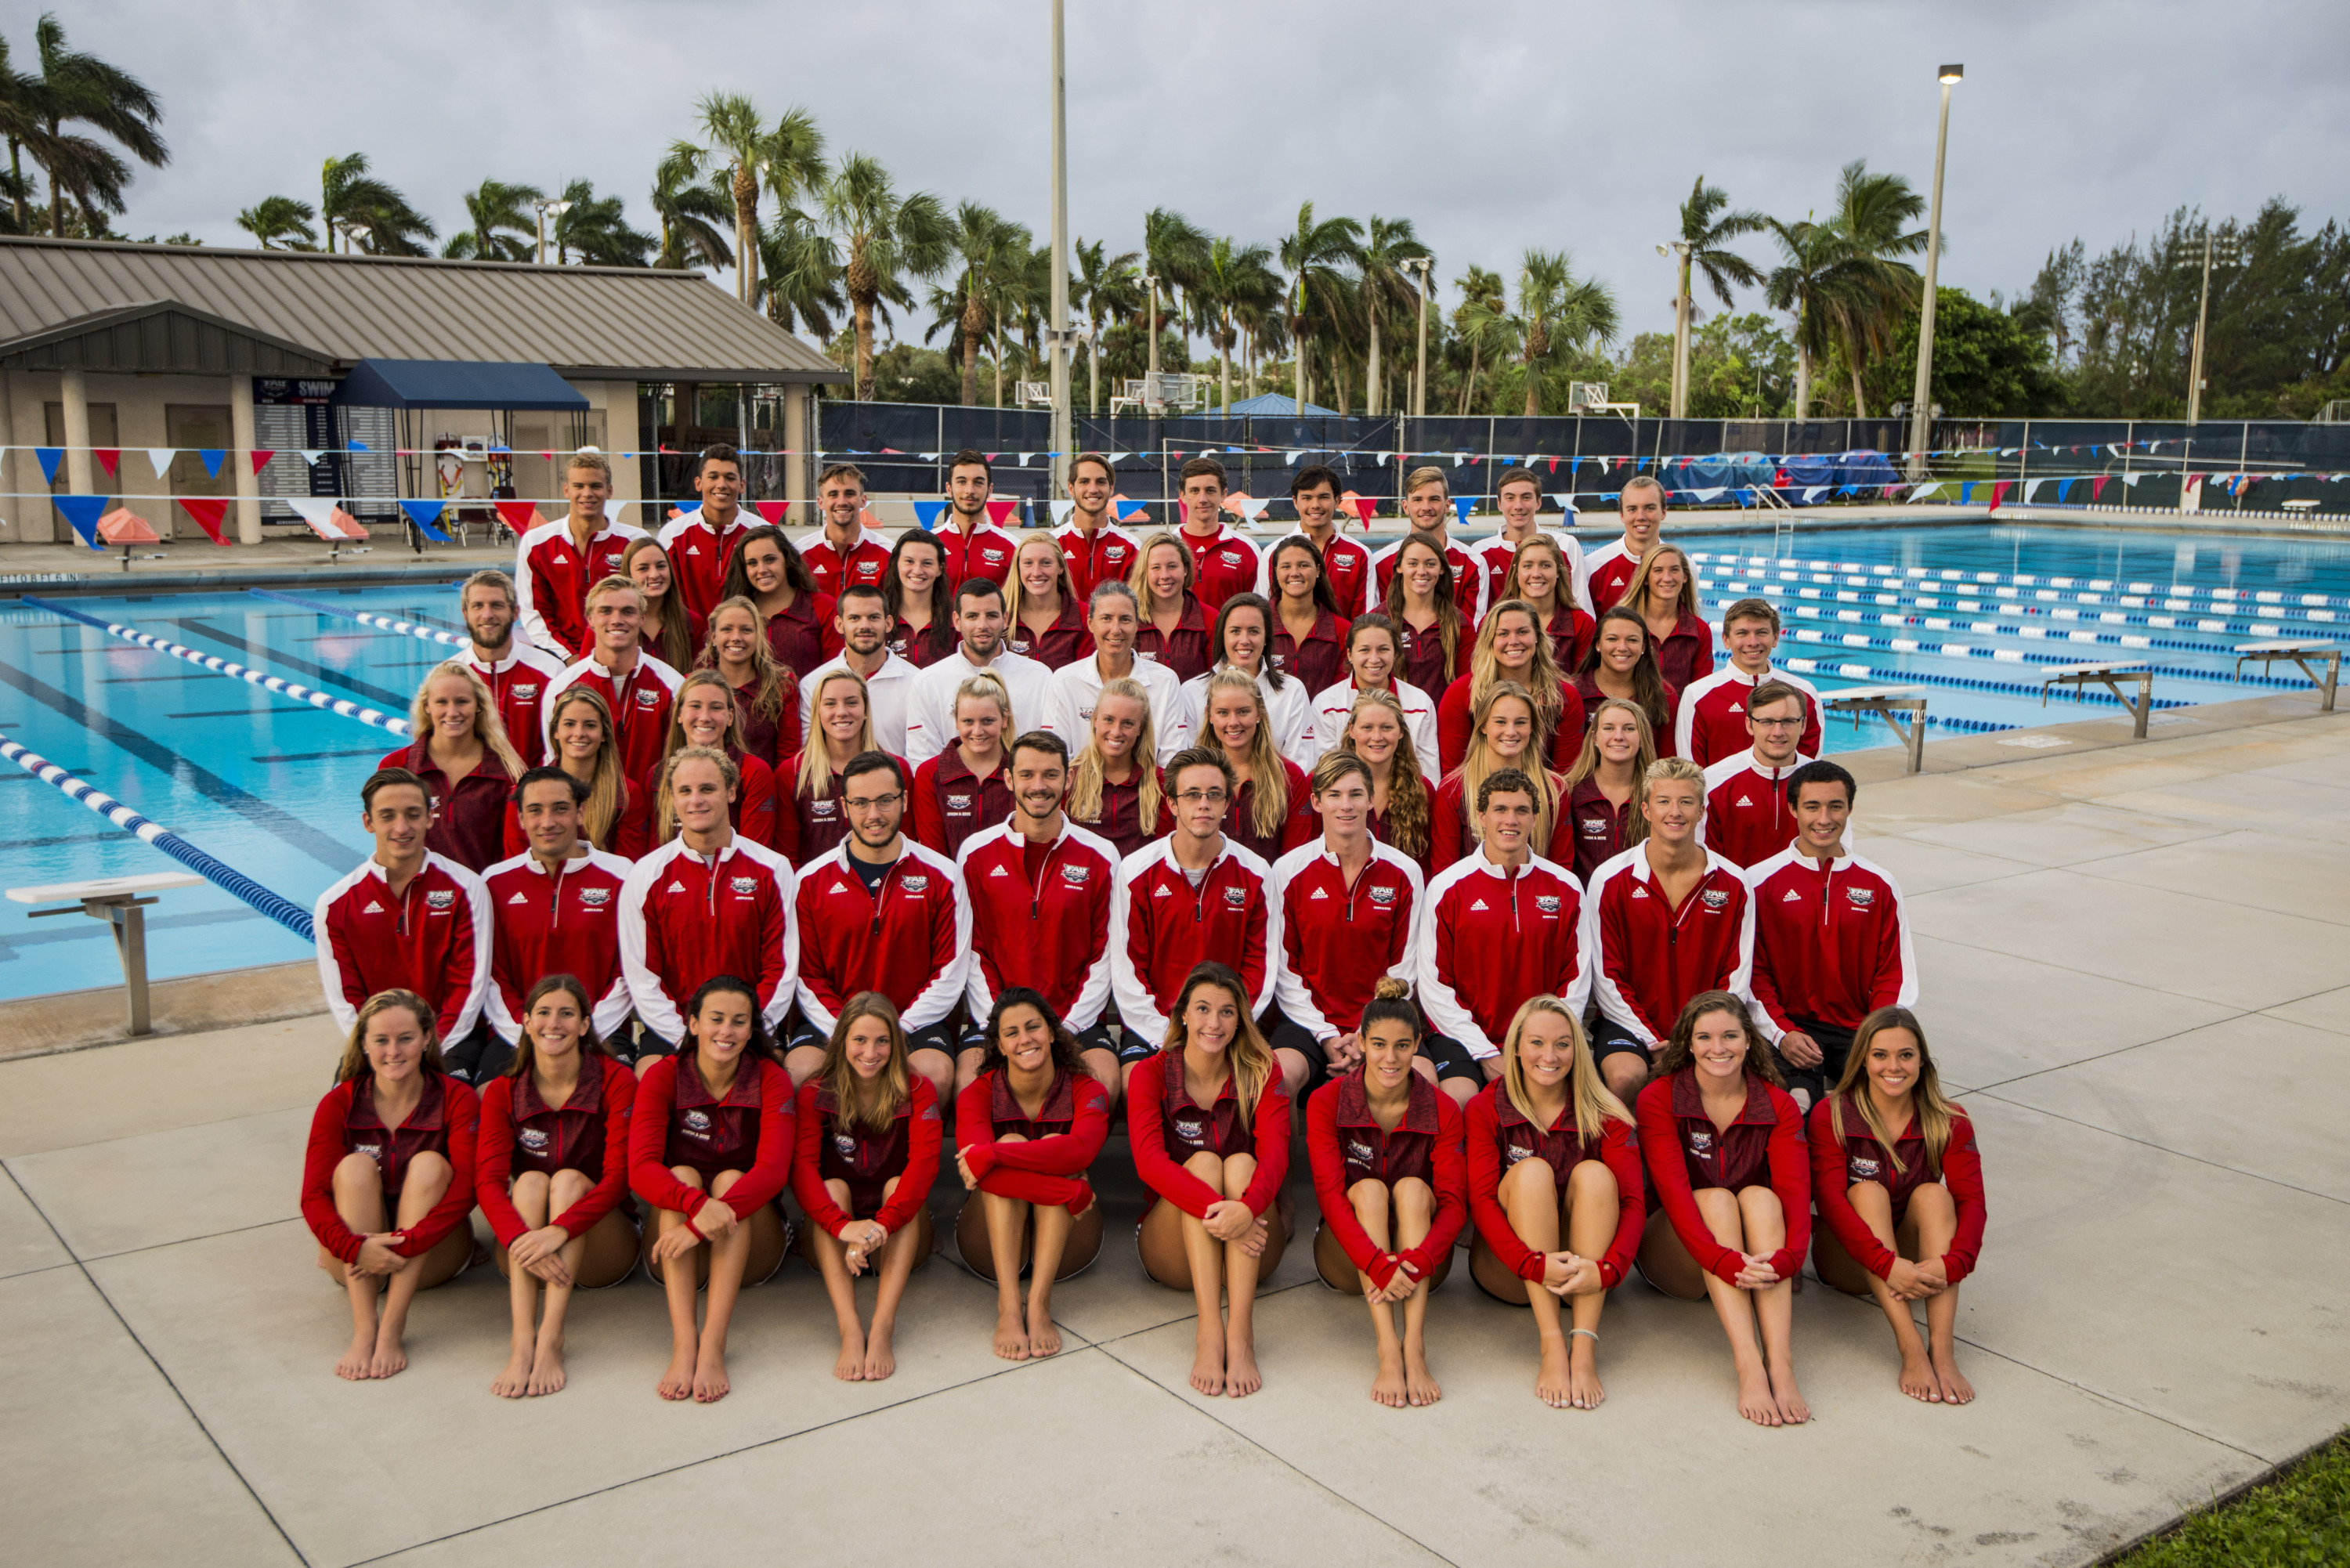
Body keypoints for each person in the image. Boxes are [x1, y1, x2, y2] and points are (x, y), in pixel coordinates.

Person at [1636, 991, 1810, 1427]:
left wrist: (1791, 1260)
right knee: (1713, 1197)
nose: (1719, 1048)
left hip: (1751, 1261)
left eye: (1730, 1036)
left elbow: (1795, 1196)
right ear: (1688, 1045)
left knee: (1762, 1197)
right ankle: (1748, 1363)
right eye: (1706, 1037)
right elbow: (1675, 1196)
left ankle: (1781, 1363)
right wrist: (1722, 1259)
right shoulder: (1659, 1098)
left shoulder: (1779, 1105)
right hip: (1677, 1252)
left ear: (1749, 1041)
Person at [1462, 995, 1642, 1411]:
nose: (1550, 1055)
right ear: (1517, 1048)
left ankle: (1583, 1347)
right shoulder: (1486, 1106)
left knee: (1596, 1175)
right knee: (1532, 1172)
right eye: (1537, 1043)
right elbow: (1483, 1202)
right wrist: (1532, 1264)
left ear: (1578, 1050)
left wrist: (1609, 1270)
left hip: (1585, 1275)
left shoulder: (1606, 1111)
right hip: (1513, 1270)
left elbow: (1633, 1202)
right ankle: (1551, 1344)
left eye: (1563, 1044)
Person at [1130, 962, 1291, 1398]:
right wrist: (1224, 1213)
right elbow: (1148, 1164)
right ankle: (1209, 1329)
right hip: (1175, 1250)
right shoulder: (1149, 1073)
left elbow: (1276, 1157)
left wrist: (1246, 1209)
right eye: (1202, 1009)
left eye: (1226, 1012)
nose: (1213, 1023)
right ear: (1183, 1014)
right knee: (1202, 1164)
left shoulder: (1263, 1070)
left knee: (1241, 1164)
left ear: (1240, 1020)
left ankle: (1240, 1333)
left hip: (1252, 1242)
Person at [301, 989, 479, 1381]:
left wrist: (404, 1243)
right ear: (363, 1043)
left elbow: (468, 1187)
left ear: (427, 1038)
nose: (393, 1051)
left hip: (429, 1256)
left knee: (431, 1165)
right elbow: (312, 1196)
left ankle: (393, 1326)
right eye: (381, 1040)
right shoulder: (339, 1103)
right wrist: (356, 1247)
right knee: (353, 1168)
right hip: (356, 1259)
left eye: (406, 1038)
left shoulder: (457, 1098)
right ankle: (365, 1328)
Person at [631, 974, 794, 1403]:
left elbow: (774, 1172)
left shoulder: (771, 1078)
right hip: (674, 1242)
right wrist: (695, 1207)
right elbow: (641, 1168)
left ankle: (714, 1343)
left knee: (732, 1181)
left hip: (749, 1242)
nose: (727, 1031)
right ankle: (685, 1343)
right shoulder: (664, 1076)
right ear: (693, 1023)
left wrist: (701, 1223)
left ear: (752, 1028)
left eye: (739, 1022)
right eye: (717, 1019)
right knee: (679, 1176)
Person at [1810, 1007, 1984, 1405]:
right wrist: (1886, 1264)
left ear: (1922, 1061)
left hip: (1910, 1258)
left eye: (1906, 1055)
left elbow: (1972, 1201)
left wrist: (1956, 1262)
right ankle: (1910, 1347)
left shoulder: (1950, 1119)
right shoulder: (1833, 1113)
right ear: (1863, 1061)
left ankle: (1942, 1351)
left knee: (1934, 1194)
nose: (1894, 1066)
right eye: (1880, 1055)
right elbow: (1830, 1201)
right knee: (1866, 1191)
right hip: (1847, 1259)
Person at [1306, 977, 1466, 1408]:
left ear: (1418, 1045)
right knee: (1370, 1190)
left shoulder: (1443, 1108)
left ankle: (1414, 1345)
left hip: (1423, 1263)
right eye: (1378, 1044)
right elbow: (1331, 1197)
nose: (1390, 1058)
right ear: (1360, 1042)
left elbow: (1453, 1204)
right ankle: (1387, 1348)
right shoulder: (1327, 1101)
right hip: (1349, 1257)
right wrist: (1376, 1262)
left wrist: (1417, 1260)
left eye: (1402, 1046)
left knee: (1415, 1189)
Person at [475, 974, 638, 1398]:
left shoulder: (616, 1081)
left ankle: (551, 1338)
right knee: (528, 1182)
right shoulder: (503, 1091)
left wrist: (559, 1230)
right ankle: (522, 1339)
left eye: (567, 1014)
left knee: (566, 1181)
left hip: (603, 1245)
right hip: (526, 1250)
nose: (555, 1023)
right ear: (526, 1023)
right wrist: (519, 1237)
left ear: (585, 1024)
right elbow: (488, 1184)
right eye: (544, 1013)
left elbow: (621, 1178)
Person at [789, 752, 971, 1106]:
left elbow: (949, 971)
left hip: (916, 1022)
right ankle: (826, 1161)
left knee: (934, 1074)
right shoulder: (810, 880)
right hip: (834, 1020)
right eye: (861, 803)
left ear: (903, 800)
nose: (874, 815)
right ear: (844, 806)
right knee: (799, 1072)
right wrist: (853, 1033)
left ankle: (913, 1162)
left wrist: (894, 1032)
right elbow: (807, 976)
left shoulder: (943, 875)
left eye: (885, 801)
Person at [956, 731, 1123, 1101]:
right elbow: (972, 950)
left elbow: (1105, 952)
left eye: (1050, 775)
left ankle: (1071, 1161)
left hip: (1076, 1021)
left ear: (1068, 779)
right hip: (994, 1021)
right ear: (1009, 779)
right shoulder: (975, 853)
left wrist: (1066, 1027)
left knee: (1105, 1085)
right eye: (1027, 775)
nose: (1039, 786)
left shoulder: (1102, 855)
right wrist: (1004, 1026)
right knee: (968, 1086)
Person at [1269, 751, 1441, 1107]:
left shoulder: (1404, 872)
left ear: (1370, 799)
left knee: (1424, 1079)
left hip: (1385, 1018)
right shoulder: (1287, 871)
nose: (1345, 806)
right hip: (1309, 1023)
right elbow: (1286, 969)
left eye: (1355, 794)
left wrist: (1368, 1034)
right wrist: (1327, 1035)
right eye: (1334, 795)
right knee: (1278, 1076)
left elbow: (1404, 968)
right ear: (1316, 802)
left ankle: (1402, 1164)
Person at [1585, 757, 1753, 1113]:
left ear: (1702, 810)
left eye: (1686, 801)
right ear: (1645, 809)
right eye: (1664, 801)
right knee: (1624, 1077)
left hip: (1707, 1029)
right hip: (1630, 1025)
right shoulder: (1610, 878)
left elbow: (1736, 976)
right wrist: (1651, 1039)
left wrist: (1697, 1037)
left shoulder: (1735, 882)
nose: (1674, 812)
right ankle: (1622, 1158)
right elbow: (1606, 977)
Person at [1747, 759, 1917, 1108]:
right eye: (1812, 807)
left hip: (1858, 1030)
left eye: (1835, 806)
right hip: (1790, 1026)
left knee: (1896, 1101)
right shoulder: (1758, 881)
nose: (1824, 819)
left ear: (1850, 808)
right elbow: (1752, 974)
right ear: (1793, 808)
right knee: (1799, 1105)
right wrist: (1781, 1032)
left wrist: (1877, 1037)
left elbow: (1895, 974)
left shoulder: (1879, 883)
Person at [954, 988, 1111, 1360]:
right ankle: (1008, 1306)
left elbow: (1081, 1149)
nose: (1025, 1039)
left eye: (1033, 1027)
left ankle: (1039, 1303)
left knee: (1052, 1147)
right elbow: (976, 1177)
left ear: (1052, 1033)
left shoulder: (1087, 1089)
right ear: (1000, 1045)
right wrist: (1065, 1192)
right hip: (988, 1246)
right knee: (1017, 1141)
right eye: (1012, 1033)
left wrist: (993, 1153)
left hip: (1070, 1244)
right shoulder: (977, 1093)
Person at [793, 992, 941, 1384]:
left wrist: (881, 1227)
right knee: (832, 1185)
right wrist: (842, 1226)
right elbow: (802, 1169)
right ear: (842, 1041)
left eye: (882, 1041)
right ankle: (850, 1328)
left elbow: (923, 1169)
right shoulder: (815, 1092)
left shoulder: (918, 1089)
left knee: (898, 1184)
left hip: (897, 1231)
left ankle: (882, 1326)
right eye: (859, 1040)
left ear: (895, 1043)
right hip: (835, 1237)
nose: (870, 1052)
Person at [1419, 768, 1590, 1105]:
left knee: (1558, 1100)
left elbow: (1576, 979)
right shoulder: (1446, 887)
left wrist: (1541, 1043)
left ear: (1535, 818)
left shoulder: (1566, 887)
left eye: (1521, 810)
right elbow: (1435, 985)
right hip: (1463, 1037)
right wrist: (1485, 1053)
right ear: (1480, 817)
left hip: (1543, 1038)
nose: (1510, 820)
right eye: (1500, 810)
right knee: (1460, 1097)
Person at [617, 747, 797, 1053]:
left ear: (730, 792)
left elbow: (781, 967)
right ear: (672, 798)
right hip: (674, 1031)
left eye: (707, 789)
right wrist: (687, 1038)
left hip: (752, 1030)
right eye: (685, 791)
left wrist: (747, 1030)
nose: (696, 800)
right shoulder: (646, 875)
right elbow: (643, 976)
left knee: (787, 1080)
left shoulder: (774, 868)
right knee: (648, 1083)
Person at [1109, 748, 1280, 1070]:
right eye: (1192, 795)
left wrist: (1222, 1026)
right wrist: (1171, 1034)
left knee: (1264, 1083)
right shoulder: (1136, 872)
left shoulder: (1257, 873)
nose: (1204, 804)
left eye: (1214, 795)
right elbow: (1129, 970)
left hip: (1229, 1030)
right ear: (1172, 803)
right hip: (1155, 1030)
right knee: (1134, 1084)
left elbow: (1260, 967)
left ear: (1227, 803)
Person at [315, 768, 494, 1068]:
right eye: (387, 816)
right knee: (343, 1111)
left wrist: (428, 1047)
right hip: (378, 1047)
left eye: (413, 814)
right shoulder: (335, 904)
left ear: (429, 817)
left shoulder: (467, 888)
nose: (402, 828)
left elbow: (469, 984)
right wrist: (383, 1049)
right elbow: (346, 998)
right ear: (368, 822)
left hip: (452, 1041)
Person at [483, 769, 634, 1062]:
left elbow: (628, 970)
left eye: (561, 809)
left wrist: (587, 1031)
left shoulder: (622, 875)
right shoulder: (495, 882)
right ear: (521, 819)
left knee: (623, 1095)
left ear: (580, 813)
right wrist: (527, 1035)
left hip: (603, 1031)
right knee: (487, 1095)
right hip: (518, 1034)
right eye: (535, 811)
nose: (548, 822)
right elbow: (492, 976)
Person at [381, 660, 525, 873]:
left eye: (462, 702)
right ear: (427, 707)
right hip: (417, 899)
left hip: (481, 900)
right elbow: (387, 846)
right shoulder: (396, 767)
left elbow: (514, 857)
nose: (452, 712)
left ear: (478, 706)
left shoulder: (507, 773)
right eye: (441, 702)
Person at [541, 577, 682, 786]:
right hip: (586, 812)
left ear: (642, 617)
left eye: (628, 611)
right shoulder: (560, 688)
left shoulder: (672, 685)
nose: (617, 620)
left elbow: (678, 761)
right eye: (606, 611)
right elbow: (554, 758)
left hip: (652, 813)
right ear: (590, 618)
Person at [903, 578, 1054, 767]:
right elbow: (923, 760)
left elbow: (1049, 751)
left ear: (1005, 619)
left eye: (991, 615)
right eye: (972, 616)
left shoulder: (1040, 678)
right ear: (957, 621)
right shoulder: (927, 682)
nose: (983, 625)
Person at [516, 449, 645, 659]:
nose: (587, 493)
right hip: (561, 660)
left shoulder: (635, 541)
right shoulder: (536, 544)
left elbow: (646, 606)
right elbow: (534, 613)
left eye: (596, 486)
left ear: (609, 490)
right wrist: (569, 657)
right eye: (579, 486)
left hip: (622, 656)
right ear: (566, 490)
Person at [1436, 598, 1586, 777]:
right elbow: (1453, 774)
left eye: (1523, 632)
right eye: (1503, 634)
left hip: (1541, 798)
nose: (1513, 641)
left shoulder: (1564, 697)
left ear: (1537, 636)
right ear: (1489, 640)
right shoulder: (1461, 693)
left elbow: (1565, 778)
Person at [1428, 682, 1569, 869]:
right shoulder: (1453, 790)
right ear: (1483, 725)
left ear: (1532, 727)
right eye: (1500, 722)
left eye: (1520, 722)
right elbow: (1443, 873)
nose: (1511, 732)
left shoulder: (1554, 789)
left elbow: (1562, 870)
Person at [1168, 593, 1317, 766]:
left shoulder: (1292, 691)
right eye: (1235, 631)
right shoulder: (1192, 691)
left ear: (1267, 637)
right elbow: (1187, 762)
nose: (1244, 640)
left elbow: (1300, 765)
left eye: (1254, 631)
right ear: (1222, 636)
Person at [1046, 579, 1184, 762]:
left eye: (1125, 619)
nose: (1116, 629)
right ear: (1090, 623)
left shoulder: (1166, 681)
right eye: (1106, 618)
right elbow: (1056, 758)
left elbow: (1173, 759)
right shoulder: (1064, 680)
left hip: (1149, 789)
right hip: (1082, 789)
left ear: (1137, 624)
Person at [1676, 597, 1824, 765]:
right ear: (1726, 639)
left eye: (1761, 632)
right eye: (1742, 633)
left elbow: (1809, 769)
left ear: (1775, 638)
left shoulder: (1804, 693)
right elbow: (1691, 771)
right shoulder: (1697, 695)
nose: (1753, 642)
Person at [1188, 669, 1314, 865]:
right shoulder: (1189, 776)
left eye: (1243, 712)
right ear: (1209, 716)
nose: (1233, 722)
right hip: (1206, 891)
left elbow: (1294, 863)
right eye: (1223, 713)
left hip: (1269, 892)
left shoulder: (1289, 776)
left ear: (1259, 713)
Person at [656, 672, 781, 853]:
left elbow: (754, 854)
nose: (705, 717)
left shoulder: (754, 772)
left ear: (730, 717)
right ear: (680, 713)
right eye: (695, 706)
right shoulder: (658, 775)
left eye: (715, 708)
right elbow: (655, 855)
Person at [523, 685, 650, 861]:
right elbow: (519, 867)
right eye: (569, 724)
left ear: (604, 733)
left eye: (590, 725)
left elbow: (626, 870)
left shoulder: (627, 794)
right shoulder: (527, 791)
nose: (579, 733)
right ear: (555, 732)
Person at [1701, 682, 1815, 871]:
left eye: (1788, 721)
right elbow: (1703, 859)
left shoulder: (1824, 783)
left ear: (1803, 725)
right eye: (1767, 722)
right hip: (1738, 897)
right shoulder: (1713, 782)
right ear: (1749, 725)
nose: (1778, 732)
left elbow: (1837, 856)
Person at [795, 583, 917, 760]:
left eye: (874, 617)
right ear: (839, 624)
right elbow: (812, 752)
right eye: (854, 618)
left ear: (888, 623)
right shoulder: (813, 684)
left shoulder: (917, 682)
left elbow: (918, 755)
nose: (864, 625)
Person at [461, 569, 567, 768]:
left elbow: (562, 748)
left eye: (497, 605)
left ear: (515, 612)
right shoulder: (451, 675)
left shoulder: (551, 672)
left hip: (534, 794)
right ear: (465, 613)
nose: (487, 615)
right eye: (478, 606)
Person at [1311, 615, 1440, 779]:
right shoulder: (1326, 704)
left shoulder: (1421, 703)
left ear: (1395, 653)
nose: (1374, 659)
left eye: (1383, 649)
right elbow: (1325, 773)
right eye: (1364, 650)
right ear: (1349, 654)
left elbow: (1429, 776)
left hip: (1406, 798)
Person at [786, 668, 893, 862]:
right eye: (830, 704)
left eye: (852, 703)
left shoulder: (895, 769)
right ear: (817, 712)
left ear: (866, 710)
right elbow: (788, 858)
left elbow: (905, 845)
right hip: (815, 891)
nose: (842, 712)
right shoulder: (792, 772)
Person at [716, 524, 840, 682]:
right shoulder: (732, 613)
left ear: (787, 559)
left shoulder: (823, 607)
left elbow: (835, 671)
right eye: (752, 563)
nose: (762, 569)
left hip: (807, 706)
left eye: (770, 560)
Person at [910, 671, 1016, 856]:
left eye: (987, 721)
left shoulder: (1021, 770)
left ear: (1004, 719)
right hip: (950, 883)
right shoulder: (930, 773)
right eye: (968, 721)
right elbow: (933, 855)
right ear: (956, 721)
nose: (977, 731)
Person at [1065, 677, 1169, 858]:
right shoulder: (1070, 777)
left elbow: (1163, 853)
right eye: (1109, 720)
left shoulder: (1160, 782)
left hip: (1137, 883)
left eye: (1128, 723)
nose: (1116, 731)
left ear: (1140, 728)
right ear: (1095, 720)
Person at [1336, 688, 1436, 874]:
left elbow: (1425, 864)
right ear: (1351, 730)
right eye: (1367, 727)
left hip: (1402, 897)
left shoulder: (1422, 788)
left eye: (1387, 727)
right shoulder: (1328, 784)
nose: (1377, 737)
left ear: (1400, 731)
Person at [696, 594, 800, 768]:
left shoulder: (782, 686)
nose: (736, 637)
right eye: (727, 629)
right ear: (713, 637)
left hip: (762, 789)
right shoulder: (693, 686)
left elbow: (787, 760)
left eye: (746, 630)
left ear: (759, 636)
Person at [1469, 470, 1589, 621]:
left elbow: (1582, 606)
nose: (1518, 506)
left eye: (1526, 497)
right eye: (1510, 498)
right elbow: (1478, 616)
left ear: (1538, 502)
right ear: (1499, 504)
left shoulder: (1566, 545)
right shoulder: (1480, 552)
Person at [1372, 467, 1487, 620]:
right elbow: (1378, 624)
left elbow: (1473, 629)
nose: (1426, 508)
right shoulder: (1381, 562)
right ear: (1406, 506)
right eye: (1418, 500)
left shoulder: (1474, 563)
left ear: (1447, 505)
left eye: (1434, 499)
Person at [655, 444, 753, 623]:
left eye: (730, 478)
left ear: (742, 485)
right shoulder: (673, 535)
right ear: (698, 483)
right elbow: (661, 596)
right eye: (713, 477)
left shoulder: (762, 533)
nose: (721, 485)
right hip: (689, 642)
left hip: (743, 643)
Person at [1560, 698, 1654, 883]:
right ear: (1594, 738)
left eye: (1629, 728)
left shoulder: (1656, 794)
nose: (1619, 736)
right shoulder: (1570, 792)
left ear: (1642, 738)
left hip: (1640, 903)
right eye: (1609, 728)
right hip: (1585, 904)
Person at [1574, 607, 1679, 759]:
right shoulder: (1575, 692)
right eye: (1612, 639)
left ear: (1643, 647)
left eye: (1632, 640)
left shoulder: (1664, 695)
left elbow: (1666, 761)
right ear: (1598, 644)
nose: (1622, 648)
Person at [1380, 530, 1470, 699]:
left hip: (1442, 721)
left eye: (1430, 564)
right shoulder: (1379, 620)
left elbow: (1466, 687)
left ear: (1442, 568)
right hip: (1391, 720)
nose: (1421, 571)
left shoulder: (1460, 623)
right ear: (1399, 567)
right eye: (1413, 564)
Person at [1491, 533, 1596, 674]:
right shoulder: (1493, 621)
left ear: (1558, 570)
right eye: (1528, 566)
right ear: (1516, 571)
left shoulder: (1581, 623)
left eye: (1545, 566)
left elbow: (1583, 683)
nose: (1536, 574)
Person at [1278, 463, 1372, 616]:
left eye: (1323, 497)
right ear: (1295, 502)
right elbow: (1267, 613)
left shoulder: (1360, 554)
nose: (1315, 505)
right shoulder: (1274, 553)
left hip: (1343, 640)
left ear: (1337, 501)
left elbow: (1365, 620)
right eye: (1307, 498)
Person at [1264, 533, 1350, 695]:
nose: (1295, 573)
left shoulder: (1342, 631)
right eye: (1286, 566)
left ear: (1318, 569)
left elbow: (1341, 694)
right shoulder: (1258, 623)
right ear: (1276, 571)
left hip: (1322, 719)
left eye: (1303, 565)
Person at [1621, 543, 1712, 694]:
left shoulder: (1698, 630)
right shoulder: (1624, 623)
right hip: (1630, 715)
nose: (1667, 578)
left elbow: (1701, 690)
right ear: (1645, 579)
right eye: (1658, 570)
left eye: (1674, 570)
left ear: (1685, 577)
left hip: (1679, 716)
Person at [1172, 456, 1260, 610]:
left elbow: (1259, 609)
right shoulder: (1162, 547)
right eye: (1194, 491)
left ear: (1224, 494)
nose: (1202, 499)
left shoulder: (1248, 550)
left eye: (1210, 491)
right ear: (1183, 495)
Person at [797, 461, 893, 599]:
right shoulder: (800, 554)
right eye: (833, 494)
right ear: (821, 503)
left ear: (863, 500)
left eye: (849, 494)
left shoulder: (889, 552)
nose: (842, 501)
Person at [1128, 529, 1213, 681]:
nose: (1165, 575)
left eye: (1172, 566)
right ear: (1144, 572)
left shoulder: (1210, 619)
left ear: (1186, 569)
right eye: (1156, 567)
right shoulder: (1129, 619)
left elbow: (1215, 681)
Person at [1054, 451, 1142, 598]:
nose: (1093, 490)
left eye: (1101, 482)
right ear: (1071, 489)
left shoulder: (1132, 548)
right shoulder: (1051, 544)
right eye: (1084, 482)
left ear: (1111, 488)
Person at [1003, 531, 1092, 669]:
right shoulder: (1002, 614)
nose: (1037, 572)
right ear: (1018, 568)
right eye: (1028, 563)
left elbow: (1085, 678)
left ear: (1061, 567)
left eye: (1046, 563)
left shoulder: (1084, 616)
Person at [1582, 473, 1665, 615]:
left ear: (1663, 512)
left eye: (1649, 508)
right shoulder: (1592, 567)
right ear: (1621, 515)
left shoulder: (1683, 567)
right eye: (1632, 509)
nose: (1641, 517)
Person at [938, 450, 1020, 585]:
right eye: (962, 482)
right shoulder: (929, 543)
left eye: (978, 482)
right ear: (949, 488)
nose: (970, 490)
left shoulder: (1013, 547)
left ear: (990, 489)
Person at [622, 536, 700, 674]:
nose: (654, 574)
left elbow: (702, 678)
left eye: (661, 566)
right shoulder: (609, 624)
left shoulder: (693, 623)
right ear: (628, 575)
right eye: (643, 568)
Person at [882, 528, 959, 668]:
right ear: (896, 564)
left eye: (927, 563)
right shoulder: (878, 615)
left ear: (939, 569)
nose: (917, 570)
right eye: (909, 561)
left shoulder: (956, 618)